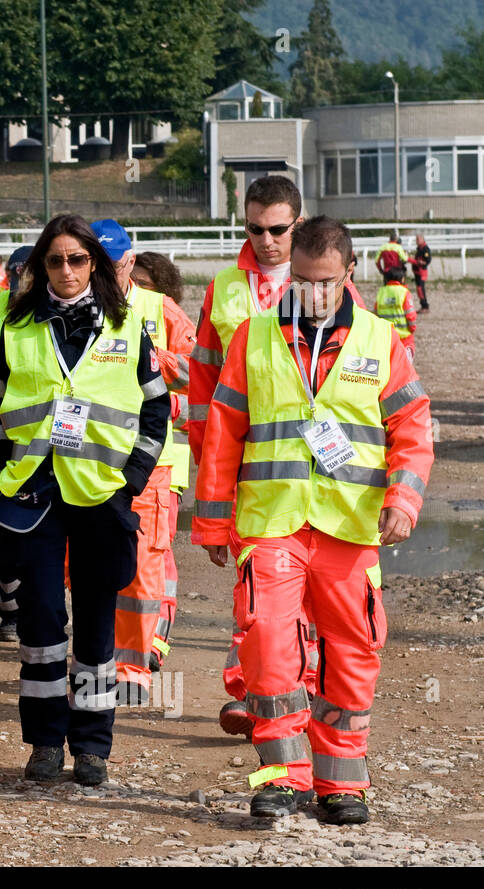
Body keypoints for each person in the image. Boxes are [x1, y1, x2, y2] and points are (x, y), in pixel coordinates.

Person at [193, 216, 432, 824]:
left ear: (349, 273)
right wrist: (214, 524)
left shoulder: (381, 341)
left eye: (324, 282)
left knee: (352, 653)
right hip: (271, 523)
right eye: (299, 280)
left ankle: (341, 784)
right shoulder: (254, 336)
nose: (311, 292)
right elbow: (224, 433)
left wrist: (403, 501)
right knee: (269, 647)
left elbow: (412, 431)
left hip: (350, 529)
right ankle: (281, 776)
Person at [0, 214, 169, 785]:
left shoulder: (127, 325)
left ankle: (91, 748)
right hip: (33, 492)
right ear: (42, 266)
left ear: (95, 263)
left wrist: (132, 478)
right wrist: (1, 461)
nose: (66, 270)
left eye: (77, 259)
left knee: (95, 626)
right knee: (40, 624)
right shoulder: (18, 325)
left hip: (100, 497)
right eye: (55, 260)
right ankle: (43, 742)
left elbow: (156, 409)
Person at [189, 175, 318, 737]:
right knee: (256, 588)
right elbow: (203, 381)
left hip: (321, 476)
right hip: (250, 470)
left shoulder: (326, 279)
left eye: (278, 229)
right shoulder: (223, 289)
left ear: (300, 221)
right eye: (254, 229)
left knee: (308, 593)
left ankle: (302, 686)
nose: (266, 241)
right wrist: (209, 463)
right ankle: (249, 687)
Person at [90, 220, 194, 703]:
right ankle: (94, 660)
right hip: (84, 460)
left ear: (129, 261)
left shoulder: (159, 309)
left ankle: (133, 668)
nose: (102, 276)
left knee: (143, 564)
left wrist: (152, 358)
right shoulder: (68, 308)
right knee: (83, 566)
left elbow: (198, 370)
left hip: (148, 462)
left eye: (112, 265)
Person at [132, 251, 194, 671]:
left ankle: (156, 637)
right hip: (115, 461)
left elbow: (200, 388)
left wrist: (162, 391)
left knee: (159, 552)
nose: (138, 288)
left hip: (165, 462)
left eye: (147, 284)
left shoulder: (168, 319)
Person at [0, 244, 34, 643]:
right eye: (15, 272)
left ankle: (29, 608)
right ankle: (9, 602)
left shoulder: (49, 312)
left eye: (27, 272)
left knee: (35, 534)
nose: (20, 280)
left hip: (36, 448)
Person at [376, 264, 418, 363]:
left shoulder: (381, 292)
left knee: (389, 366)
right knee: (405, 367)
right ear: (402, 279)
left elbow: (376, 312)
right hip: (404, 338)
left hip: (386, 337)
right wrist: (412, 328)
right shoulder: (404, 292)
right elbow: (410, 314)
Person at [411, 235, 432, 311]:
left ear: (423, 240)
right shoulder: (419, 248)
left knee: (420, 289)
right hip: (417, 272)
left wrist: (421, 262)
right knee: (419, 289)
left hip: (422, 272)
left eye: (418, 239)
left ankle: (425, 306)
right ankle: (423, 305)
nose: (417, 241)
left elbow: (428, 260)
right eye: (416, 239)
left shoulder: (425, 249)